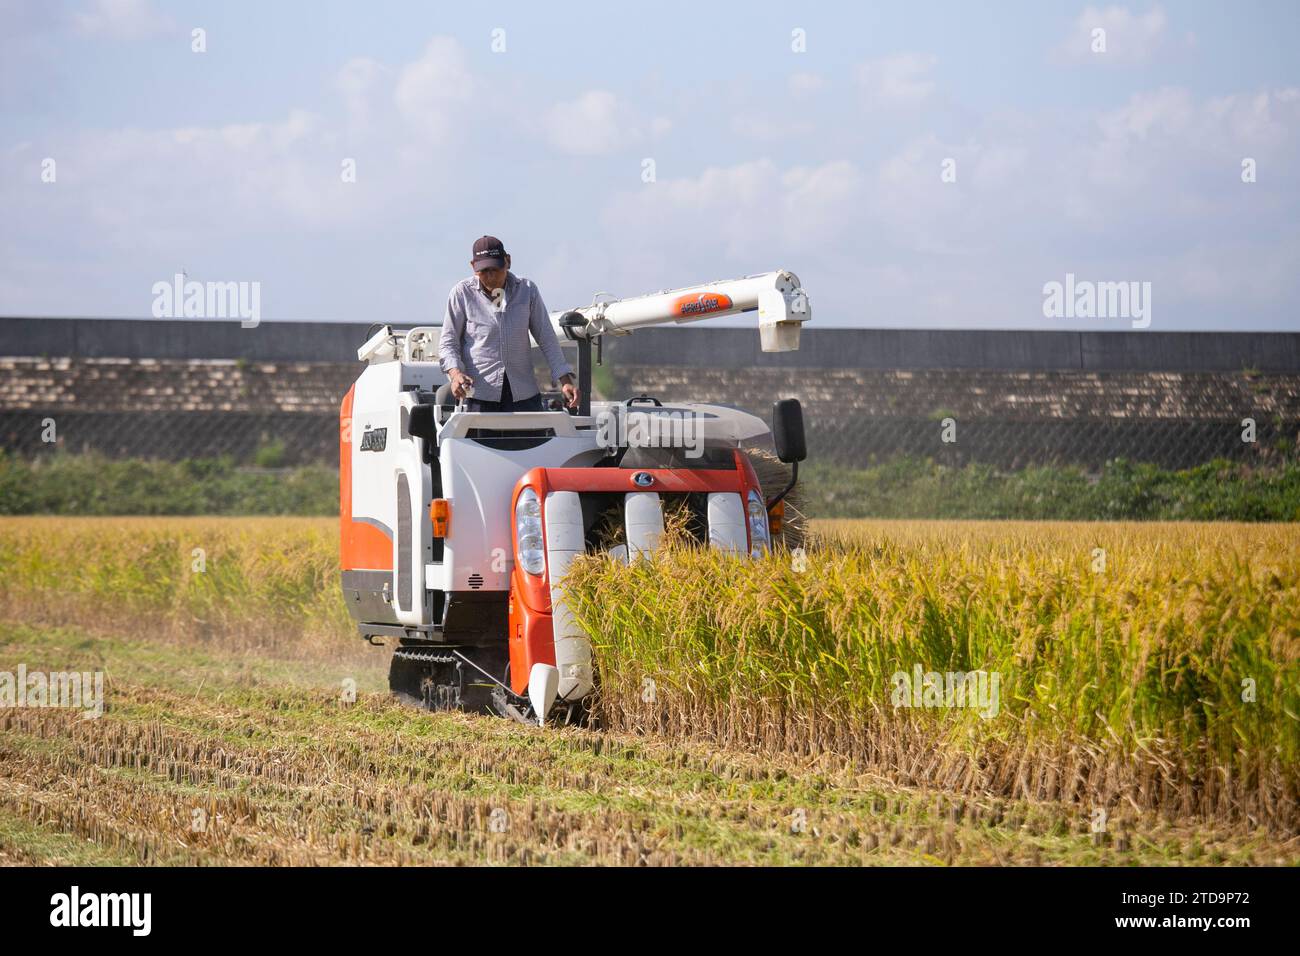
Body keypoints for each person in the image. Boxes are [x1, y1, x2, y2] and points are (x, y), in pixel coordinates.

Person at [438, 235, 579, 412]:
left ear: (508, 261)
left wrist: (565, 381)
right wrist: (456, 374)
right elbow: (448, 343)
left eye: (495, 269)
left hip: (524, 395)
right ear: (473, 267)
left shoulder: (527, 290)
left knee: (531, 440)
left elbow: (547, 338)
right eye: (484, 271)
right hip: (479, 396)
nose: (490, 277)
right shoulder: (461, 294)